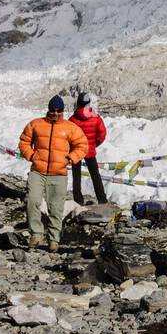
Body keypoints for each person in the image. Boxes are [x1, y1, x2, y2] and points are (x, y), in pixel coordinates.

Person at [18, 95, 89, 252]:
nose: (55, 113)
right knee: (32, 201)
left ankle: (53, 240)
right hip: (38, 171)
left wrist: (71, 158)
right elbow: (24, 141)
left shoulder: (70, 128)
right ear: (48, 110)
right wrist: (31, 156)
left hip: (59, 174)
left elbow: (82, 145)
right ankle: (36, 233)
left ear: (62, 111)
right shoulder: (36, 124)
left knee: (56, 208)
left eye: (59, 111)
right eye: (52, 110)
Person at [69, 91, 108, 205]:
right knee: (95, 176)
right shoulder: (96, 118)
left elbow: (68, 136)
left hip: (76, 151)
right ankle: (102, 199)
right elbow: (102, 134)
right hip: (90, 150)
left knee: (76, 177)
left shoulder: (72, 120)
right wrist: (93, 145)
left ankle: (78, 200)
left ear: (78, 103)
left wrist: (74, 147)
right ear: (88, 103)